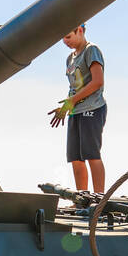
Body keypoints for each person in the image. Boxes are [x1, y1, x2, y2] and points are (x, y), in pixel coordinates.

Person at [49, 25, 106, 194]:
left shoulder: (91, 50)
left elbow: (97, 82)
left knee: (91, 154)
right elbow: (74, 87)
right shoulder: (70, 59)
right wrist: (65, 107)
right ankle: (82, 199)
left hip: (93, 108)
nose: (65, 41)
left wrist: (71, 101)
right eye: (63, 38)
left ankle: (99, 199)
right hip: (75, 110)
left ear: (80, 31)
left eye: (68, 36)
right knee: (75, 157)